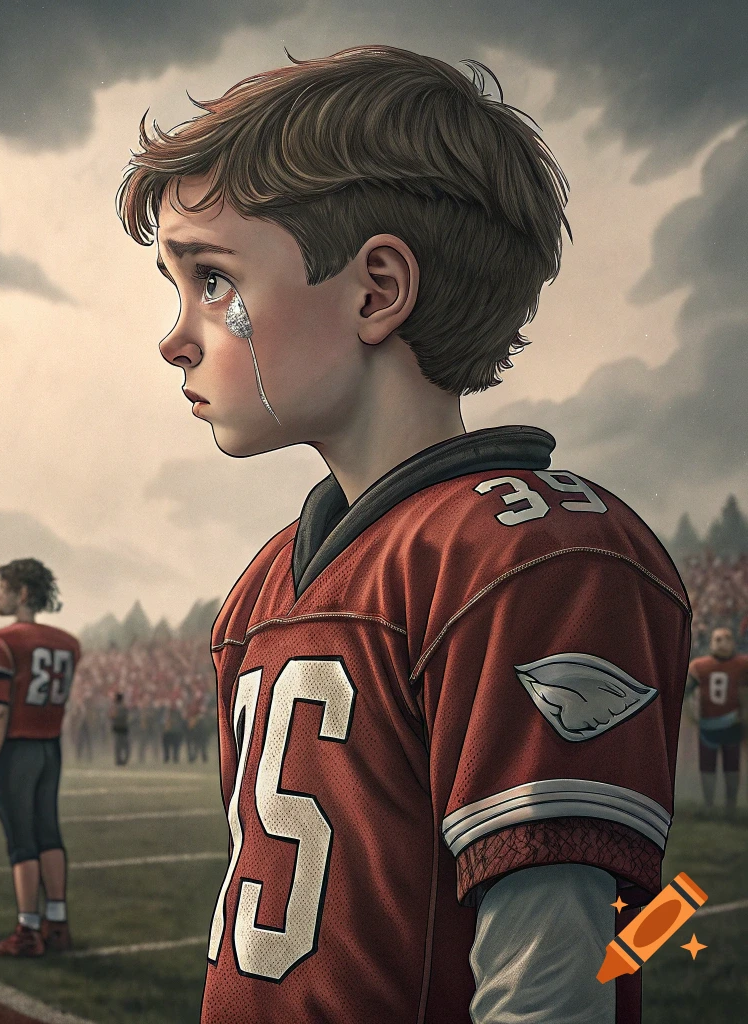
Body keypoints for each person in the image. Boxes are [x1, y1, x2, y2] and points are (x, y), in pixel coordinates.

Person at [118, 46, 691, 1024]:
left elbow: (547, 981)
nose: (175, 335)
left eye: (212, 280)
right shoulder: (265, 585)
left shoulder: (529, 555)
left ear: (376, 289)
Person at [0, 558, 81, 957]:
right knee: (48, 833)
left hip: (17, 748)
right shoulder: (67, 642)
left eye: (1, 587)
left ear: (21, 593)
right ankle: (58, 922)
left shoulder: (0, 642)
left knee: (22, 841)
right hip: (49, 746)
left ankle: (27, 931)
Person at [686, 626, 748, 814]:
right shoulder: (699, 666)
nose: (723, 643)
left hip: (732, 723)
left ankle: (730, 805)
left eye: (727, 638)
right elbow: (685, 692)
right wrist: (691, 715)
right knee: (707, 766)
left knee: (732, 765)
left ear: (734, 643)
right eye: (718, 639)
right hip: (708, 725)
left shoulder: (742, 664)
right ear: (711, 642)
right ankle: (709, 805)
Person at [111, 693, 130, 766]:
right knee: (124, 746)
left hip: (118, 728)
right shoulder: (122, 707)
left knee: (118, 746)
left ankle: (119, 761)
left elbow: (113, 717)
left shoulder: (117, 708)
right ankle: (122, 761)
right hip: (122, 729)